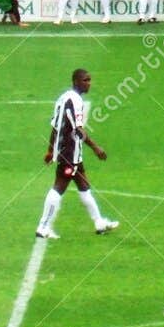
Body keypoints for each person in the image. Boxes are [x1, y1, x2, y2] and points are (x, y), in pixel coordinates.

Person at [35, 69, 118, 240]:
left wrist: (51, 150)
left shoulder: (63, 98)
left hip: (69, 151)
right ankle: (43, 227)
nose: (89, 83)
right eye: (85, 80)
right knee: (59, 187)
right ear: (76, 81)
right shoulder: (75, 101)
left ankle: (99, 222)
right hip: (70, 152)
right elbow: (78, 130)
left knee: (83, 185)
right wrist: (96, 148)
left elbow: (55, 126)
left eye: (89, 80)